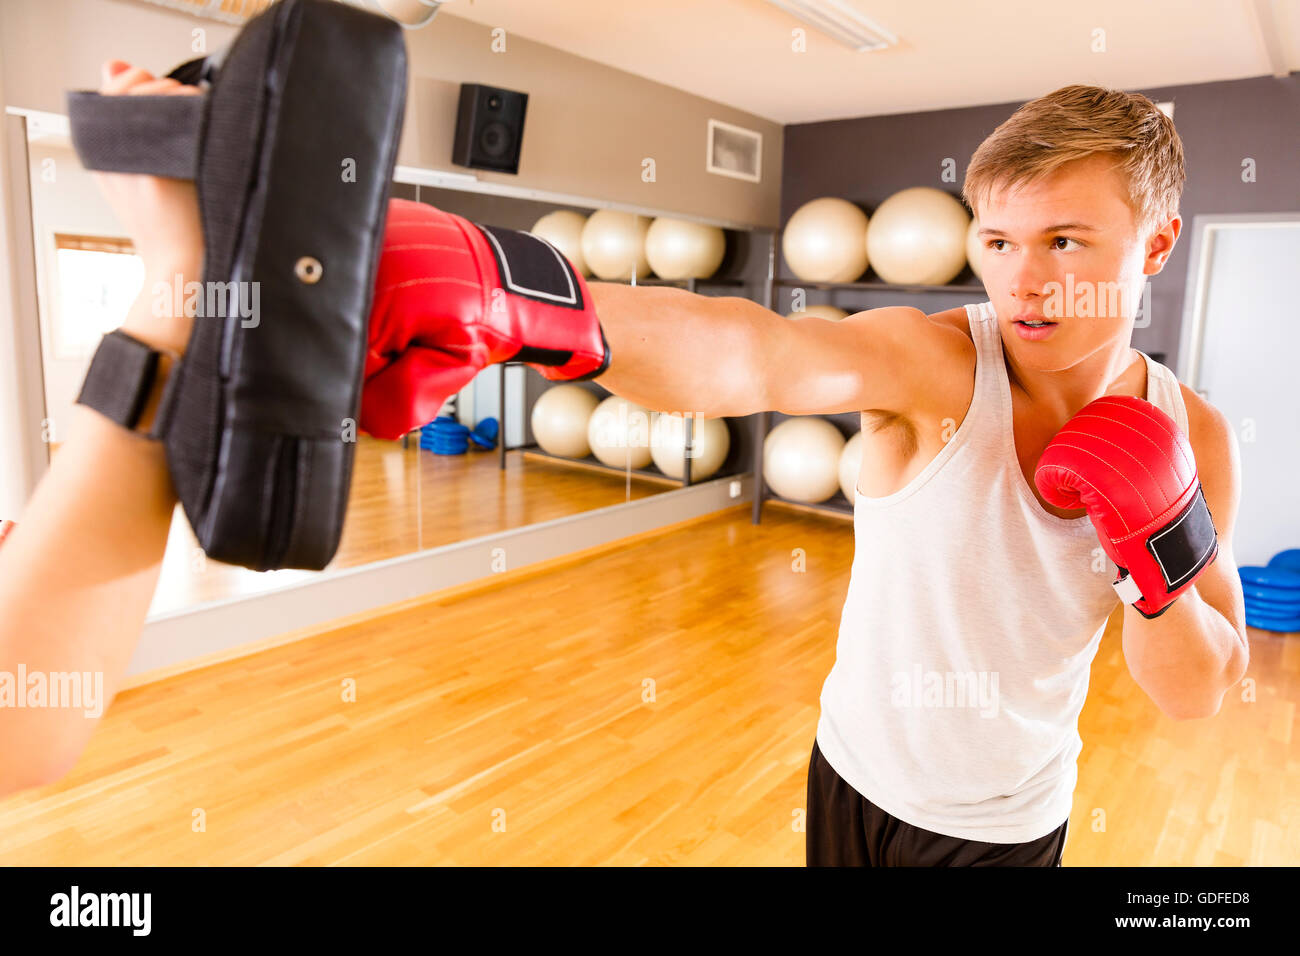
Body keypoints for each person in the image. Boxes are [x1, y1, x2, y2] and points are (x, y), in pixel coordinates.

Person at [0, 70, 1248, 872]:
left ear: (1155, 240)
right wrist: (535, 301)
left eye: (1066, 241)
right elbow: (760, 348)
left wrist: (1157, 554)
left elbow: (1199, 690)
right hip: (853, 766)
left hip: (1000, 824)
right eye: (996, 239)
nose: (1020, 280)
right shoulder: (934, 361)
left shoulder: (1196, 439)